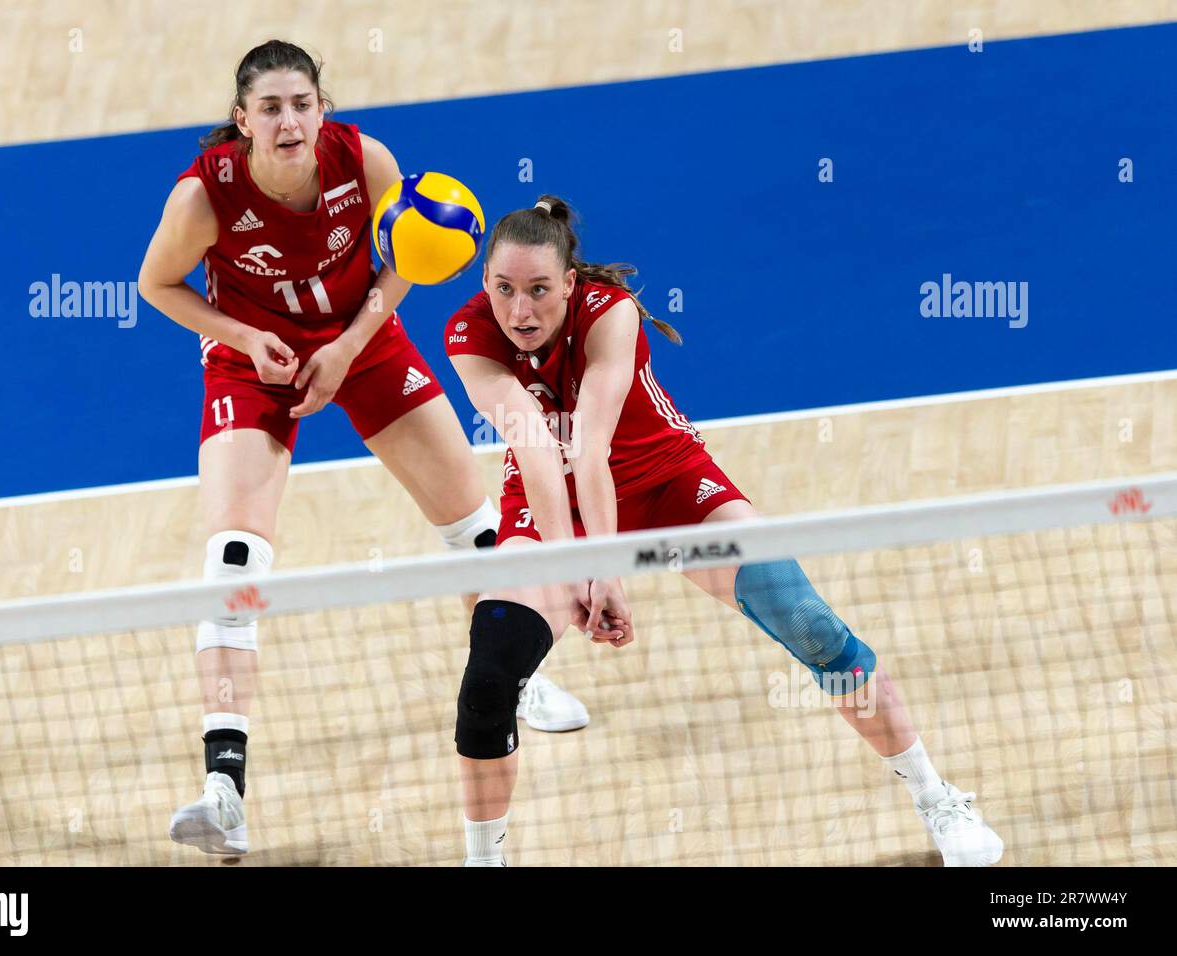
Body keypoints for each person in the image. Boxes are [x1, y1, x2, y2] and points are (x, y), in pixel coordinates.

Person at [442, 194, 1005, 867]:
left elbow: (589, 447)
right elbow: (536, 452)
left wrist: (608, 571)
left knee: (807, 621)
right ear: (484, 286)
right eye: (503, 290)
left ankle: (937, 797)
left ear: (569, 283)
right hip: (547, 504)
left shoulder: (608, 313)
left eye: (538, 290)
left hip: (667, 484)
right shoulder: (469, 336)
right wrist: (573, 572)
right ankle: (485, 860)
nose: (520, 311)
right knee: (489, 678)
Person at [137, 42, 586, 856]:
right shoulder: (206, 195)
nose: (288, 120)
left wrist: (345, 349)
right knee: (233, 559)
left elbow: (406, 256)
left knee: (474, 524)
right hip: (253, 362)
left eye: (302, 103)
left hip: (362, 343)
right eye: (269, 107)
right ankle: (223, 791)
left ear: (321, 108)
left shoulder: (364, 159)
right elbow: (155, 285)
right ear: (243, 120)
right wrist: (246, 336)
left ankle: (519, 677)